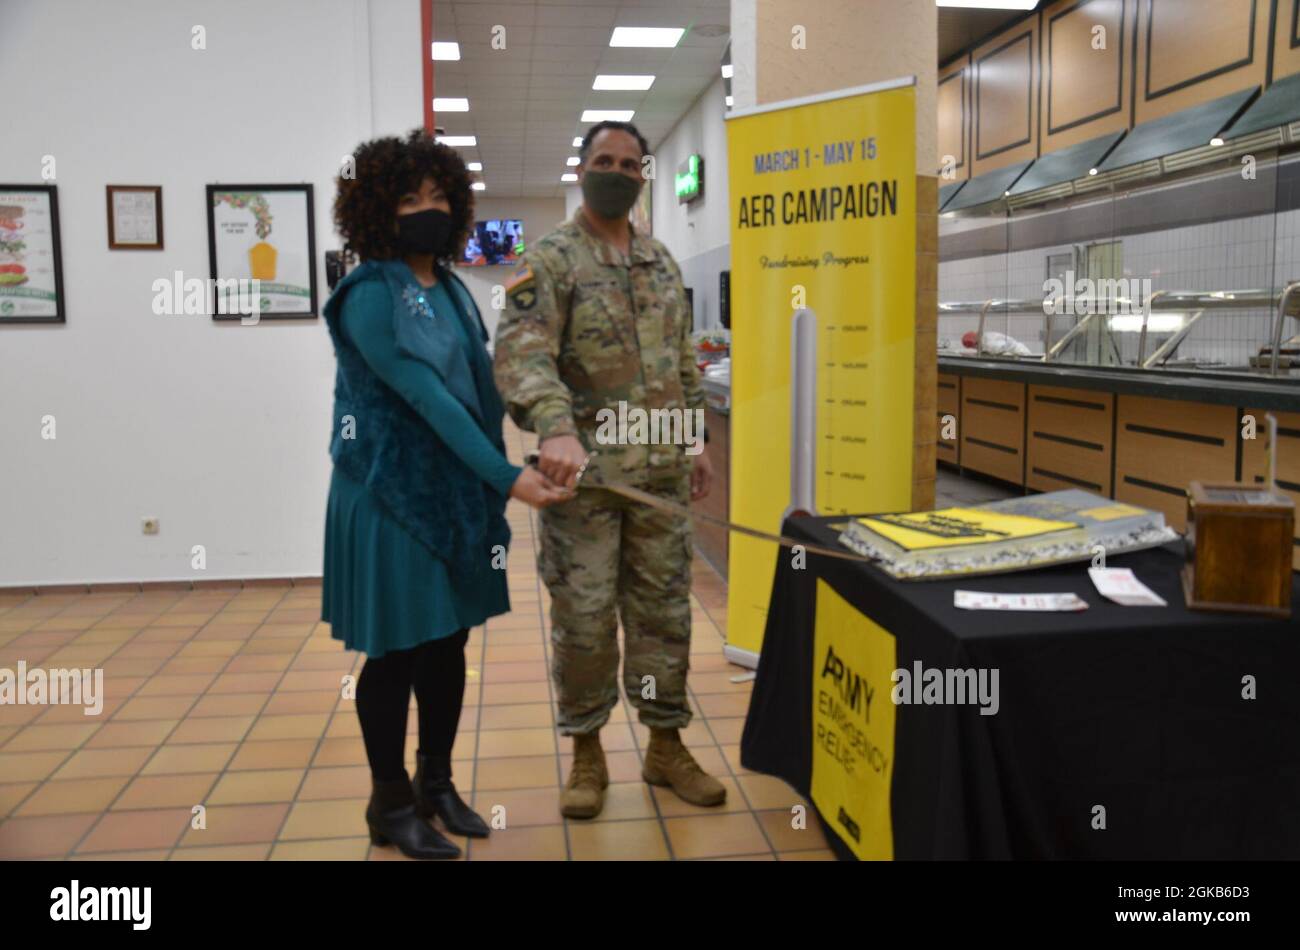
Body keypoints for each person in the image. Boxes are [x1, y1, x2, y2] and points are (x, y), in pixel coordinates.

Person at [322, 130, 566, 859]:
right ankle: (388, 801)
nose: (426, 209)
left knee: (447, 642)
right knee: (396, 650)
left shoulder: (454, 288)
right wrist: (513, 478)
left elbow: (483, 384)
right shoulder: (369, 294)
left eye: (438, 197)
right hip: (390, 494)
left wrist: (550, 434)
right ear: (375, 209)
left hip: (455, 494)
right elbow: (429, 400)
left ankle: (436, 783)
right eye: (408, 198)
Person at [493, 120, 726, 819]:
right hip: (586, 486)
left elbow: (682, 364)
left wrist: (696, 441)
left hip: (657, 483)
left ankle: (664, 746)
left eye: (630, 163)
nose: (617, 172)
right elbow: (523, 356)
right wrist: (556, 428)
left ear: (643, 174)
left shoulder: (660, 262)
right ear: (583, 167)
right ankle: (587, 754)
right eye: (605, 161)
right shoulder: (551, 260)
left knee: (661, 620)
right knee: (587, 622)